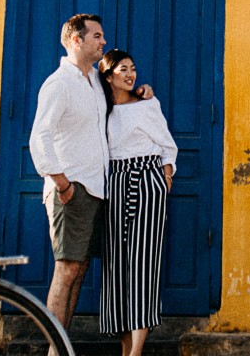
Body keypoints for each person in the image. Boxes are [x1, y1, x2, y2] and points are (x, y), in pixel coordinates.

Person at [29, 13, 110, 328]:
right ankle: (54, 348)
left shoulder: (96, 82)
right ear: (76, 40)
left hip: (95, 189)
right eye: (96, 36)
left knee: (80, 268)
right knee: (66, 270)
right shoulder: (59, 84)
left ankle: (61, 344)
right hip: (71, 190)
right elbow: (40, 137)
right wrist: (62, 184)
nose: (103, 41)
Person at [98, 49, 176, 356]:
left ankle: (136, 351)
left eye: (132, 68)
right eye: (123, 69)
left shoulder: (148, 104)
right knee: (116, 265)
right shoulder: (99, 107)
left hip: (147, 179)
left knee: (145, 262)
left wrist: (165, 177)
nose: (131, 74)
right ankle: (125, 347)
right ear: (108, 76)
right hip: (115, 182)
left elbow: (167, 144)